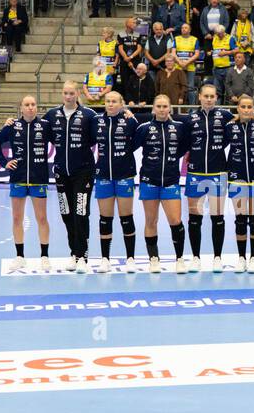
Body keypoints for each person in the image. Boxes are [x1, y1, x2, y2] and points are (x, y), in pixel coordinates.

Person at [0, 95, 53, 272]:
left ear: (37, 107)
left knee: (42, 218)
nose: (31, 107)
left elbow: (60, 143)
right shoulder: (12, 126)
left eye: (33, 104)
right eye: (27, 105)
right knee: (17, 218)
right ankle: (19, 256)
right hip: (17, 178)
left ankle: (44, 256)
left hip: (39, 178)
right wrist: (4, 163)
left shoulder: (45, 126)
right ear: (21, 108)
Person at [43, 81, 100, 271]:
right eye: (65, 93)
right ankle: (73, 253)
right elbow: (37, 128)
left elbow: (95, 137)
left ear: (77, 94)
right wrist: (12, 123)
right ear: (62, 94)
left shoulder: (89, 115)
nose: (68, 97)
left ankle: (82, 255)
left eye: (71, 93)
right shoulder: (52, 115)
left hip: (83, 172)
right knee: (66, 214)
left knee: (81, 213)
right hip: (61, 173)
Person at [132, 94, 190, 272]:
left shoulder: (179, 128)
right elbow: (130, 146)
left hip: (171, 181)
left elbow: (184, 148)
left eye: (165, 106)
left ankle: (179, 259)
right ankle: (154, 259)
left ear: (170, 108)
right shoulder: (144, 128)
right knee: (151, 221)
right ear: (153, 109)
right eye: (159, 106)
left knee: (176, 220)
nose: (162, 109)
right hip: (149, 180)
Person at [184, 84, 234, 271]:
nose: (209, 99)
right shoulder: (191, 119)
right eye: (206, 96)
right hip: (196, 173)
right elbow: (183, 141)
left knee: (217, 217)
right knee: (194, 218)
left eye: (212, 96)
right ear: (199, 97)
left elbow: (238, 126)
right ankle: (196, 257)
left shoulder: (225, 116)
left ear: (216, 98)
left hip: (218, 172)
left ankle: (217, 257)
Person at [94, 91, 140, 272]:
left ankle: (130, 258)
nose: (110, 104)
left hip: (124, 175)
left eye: (114, 101)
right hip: (103, 175)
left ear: (121, 104)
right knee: (105, 219)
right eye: (108, 101)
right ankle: (105, 259)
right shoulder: (96, 121)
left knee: (126, 217)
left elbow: (136, 142)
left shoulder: (130, 121)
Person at [225, 94, 254, 272]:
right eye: (243, 107)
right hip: (237, 178)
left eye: (249, 107)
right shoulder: (229, 127)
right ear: (238, 109)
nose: (246, 110)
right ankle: (242, 258)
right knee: (241, 220)